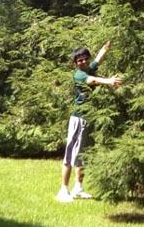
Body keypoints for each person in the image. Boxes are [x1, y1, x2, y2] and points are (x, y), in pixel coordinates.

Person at [56, 40, 123, 202]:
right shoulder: (79, 74)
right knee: (70, 154)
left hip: (87, 118)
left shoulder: (88, 68)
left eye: (85, 58)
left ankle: (78, 188)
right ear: (75, 63)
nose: (84, 62)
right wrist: (109, 81)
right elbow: (91, 81)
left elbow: (97, 61)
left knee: (83, 154)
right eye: (80, 60)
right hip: (77, 119)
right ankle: (63, 190)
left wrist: (104, 49)